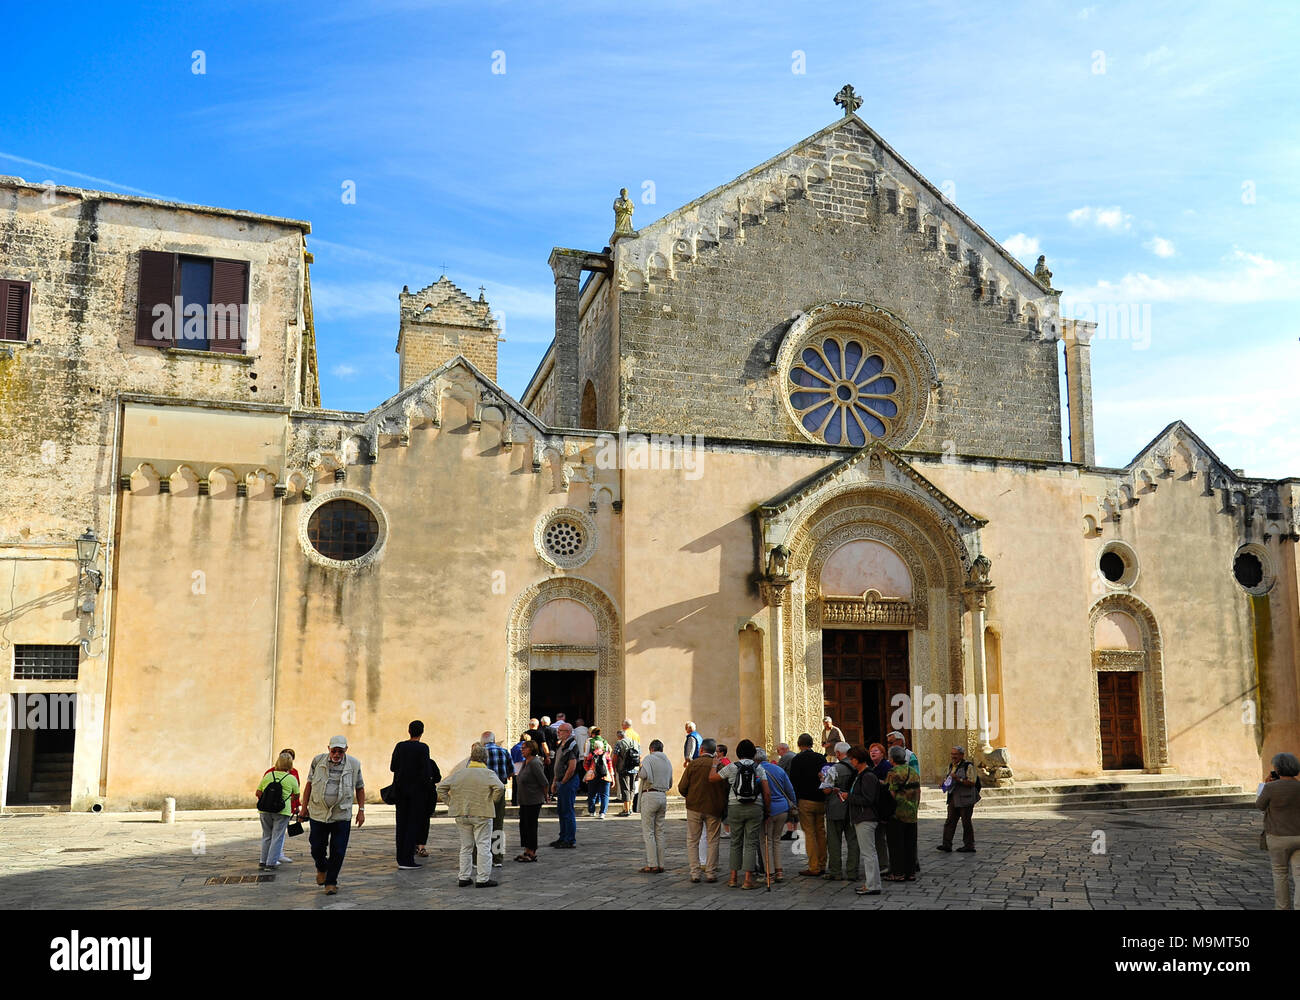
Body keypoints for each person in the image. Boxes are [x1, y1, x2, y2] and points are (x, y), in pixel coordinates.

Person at [299, 735, 365, 896]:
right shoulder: (317, 761)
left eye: (340, 751)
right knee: (316, 847)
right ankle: (321, 868)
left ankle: (331, 882)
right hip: (318, 813)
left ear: (346, 750)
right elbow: (309, 784)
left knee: (338, 850)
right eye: (334, 751)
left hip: (341, 814)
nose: (336, 754)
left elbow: (360, 788)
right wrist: (303, 807)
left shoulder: (354, 764)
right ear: (328, 749)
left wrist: (361, 811)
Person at [437, 742, 506, 887]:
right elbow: (500, 787)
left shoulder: (460, 773)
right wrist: (492, 801)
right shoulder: (488, 774)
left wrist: (451, 803)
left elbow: (441, 788)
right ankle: (482, 878)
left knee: (466, 846)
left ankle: (464, 877)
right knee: (483, 846)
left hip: (462, 813)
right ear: (485, 759)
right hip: (482, 813)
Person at [709, 739, 771, 889]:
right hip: (755, 807)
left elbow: (712, 779)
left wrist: (714, 765)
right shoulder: (759, 768)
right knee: (751, 843)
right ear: (752, 753)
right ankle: (748, 880)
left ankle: (733, 878)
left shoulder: (731, 767)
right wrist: (767, 809)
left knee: (735, 842)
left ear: (738, 752)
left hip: (735, 807)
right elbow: (767, 792)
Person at [678, 737, 727, 883]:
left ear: (701, 750)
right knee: (713, 840)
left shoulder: (693, 764)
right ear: (714, 752)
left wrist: (691, 796)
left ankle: (695, 873)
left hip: (694, 807)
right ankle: (711, 872)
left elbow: (682, 787)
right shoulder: (718, 766)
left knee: (693, 840)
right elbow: (725, 786)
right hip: (713, 808)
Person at [1257, 751, 1300, 909]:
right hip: (1299, 835)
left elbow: (1260, 805)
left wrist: (1265, 785)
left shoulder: (1270, 787)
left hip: (1277, 837)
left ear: (1278, 769)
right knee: (1299, 874)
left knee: (1280, 873)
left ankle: (1282, 907)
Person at [390, 720, 433, 870]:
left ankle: (401, 857)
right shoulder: (423, 748)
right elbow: (426, 772)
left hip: (401, 792)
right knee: (412, 825)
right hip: (417, 793)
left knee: (401, 825)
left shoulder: (400, 746)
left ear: (409, 731)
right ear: (422, 732)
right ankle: (408, 859)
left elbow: (393, 767)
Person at [788, 733, 829, 877]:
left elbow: (793, 781)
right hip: (820, 799)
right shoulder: (820, 757)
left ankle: (814, 866)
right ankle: (823, 863)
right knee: (821, 832)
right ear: (812, 744)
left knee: (810, 833)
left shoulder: (797, 759)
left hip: (805, 800)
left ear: (799, 744)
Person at [844, 746, 884, 895]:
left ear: (859, 759)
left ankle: (873, 885)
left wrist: (849, 797)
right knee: (868, 853)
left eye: (852, 758)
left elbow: (868, 799)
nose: (851, 761)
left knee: (869, 853)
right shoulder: (859, 774)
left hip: (866, 817)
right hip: (861, 817)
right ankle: (871, 883)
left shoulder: (867, 776)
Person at [756, 747, 797, 882]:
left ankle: (770, 873)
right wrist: (793, 805)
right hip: (782, 809)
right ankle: (779, 871)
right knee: (776, 841)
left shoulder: (757, 771)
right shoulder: (778, 769)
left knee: (765, 842)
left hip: (767, 810)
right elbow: (790, 789)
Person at [255, 751, 300, 870]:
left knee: (266, 835)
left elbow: (258, 792)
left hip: (264, 811)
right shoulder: (291, 778)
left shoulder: (269, 775)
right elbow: (296, 795)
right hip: (282, 811)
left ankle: (262, 861)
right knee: (277, 837)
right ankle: (271, 863)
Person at [823, 742, 860, 882]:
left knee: (834, 841)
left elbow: (826, 789)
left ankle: (835, 871)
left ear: (838, 754)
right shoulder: (858, 767)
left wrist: (823, 780)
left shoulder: (834, 769)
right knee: (853, 841)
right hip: (852, 807)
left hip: (835, 808)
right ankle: (852, 871)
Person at [884, 745, 921, 882]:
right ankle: (910, 872)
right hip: (911, 812)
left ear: (892, 758)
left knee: (896, 844)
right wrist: (914, 806)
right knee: (910, 843)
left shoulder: (893, 773)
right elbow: (918, 791)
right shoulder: (913, 772)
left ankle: (898, 873)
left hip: (898, 813)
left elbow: (891, 792)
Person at [637, 739, 673, 873]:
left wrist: (639, 769)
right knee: (660, 831)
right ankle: (661, 863)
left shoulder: (649, 759)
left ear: (651, 749)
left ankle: (652, 864)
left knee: (649, 832)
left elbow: (644, 775)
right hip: (662, 796)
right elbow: (670, 782)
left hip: (650, 795)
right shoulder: (667, 761)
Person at [938, 745, 979, 853]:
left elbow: (972, 782)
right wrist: (943, 783)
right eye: (952, 754)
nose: (953, 756)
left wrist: (959, 779)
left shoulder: (968, 766)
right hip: (953, 797)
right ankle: (946, 844)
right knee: (950, 821)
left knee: (966, 822)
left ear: (961, 755)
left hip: (966, 799)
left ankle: (969, 845)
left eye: (955, 754)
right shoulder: (951, 766)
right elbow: (948, 778)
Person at [480, 731, 512, 867]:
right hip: (499, 790)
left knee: (481, 824)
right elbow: (511, 772)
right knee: (498, 825)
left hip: (483, 792)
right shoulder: (504, 752)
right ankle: (497, 858)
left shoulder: (479, 753)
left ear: (483, 741)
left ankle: (480, 857)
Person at [548, 722, 581, 848]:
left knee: (567, 810)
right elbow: (559, 764)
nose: (558, 732)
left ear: (568, 732)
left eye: (561, 730)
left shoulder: (572, 745)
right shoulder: (561, 745)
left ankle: (569, 839)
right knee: (562, 811)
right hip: (561, 780)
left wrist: (563, 781)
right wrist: (555, 781)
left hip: (568, 781)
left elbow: (572, 767)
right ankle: (563, 837)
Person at [515, 740, 548, 863]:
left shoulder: (535, 763)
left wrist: (546, 796)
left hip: (533, 800)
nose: (522, 750)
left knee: (531, 826)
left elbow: (543, 782)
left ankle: (532, 852)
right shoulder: (525, 762)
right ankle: (527, 849)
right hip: (524, 800)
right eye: (522, 748)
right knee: (524, 825)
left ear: (531, 749)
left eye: (524, 748)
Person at [868, 742, 892, 873]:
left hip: (885, 806)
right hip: (876, 806)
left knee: (882, 837)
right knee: (878, 837)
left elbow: (889, 784)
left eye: (876, 751)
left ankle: (885, 864)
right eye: (871, 751)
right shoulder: (873, 767)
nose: (873, 753)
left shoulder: (886, 766)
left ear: (882, 753)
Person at [584, 728, 615, 818]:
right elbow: (610, 766)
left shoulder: (591, 754)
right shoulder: (606, 754)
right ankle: (602, 813)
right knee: (604, 795)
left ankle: (592, 811)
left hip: (592, 776)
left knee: (592, 794)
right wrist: (612, 777)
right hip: (605, 776)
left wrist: (589, 771)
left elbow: (586, 764)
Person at [613, 728, 642, 817]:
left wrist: (614, 767)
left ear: (619, 736)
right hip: (634, 768)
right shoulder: (635, 743)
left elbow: (615, 756)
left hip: (623, 769)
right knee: (632, 788)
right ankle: (631, 807)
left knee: (625, 788)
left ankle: (626, 809)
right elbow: (640, 756)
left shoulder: (619, 743)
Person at [509, 734, 526, 806]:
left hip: (515, 768)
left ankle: (514, 801)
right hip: (523, 768)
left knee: (515, 786)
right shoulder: (525, 747)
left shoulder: (514, 747)